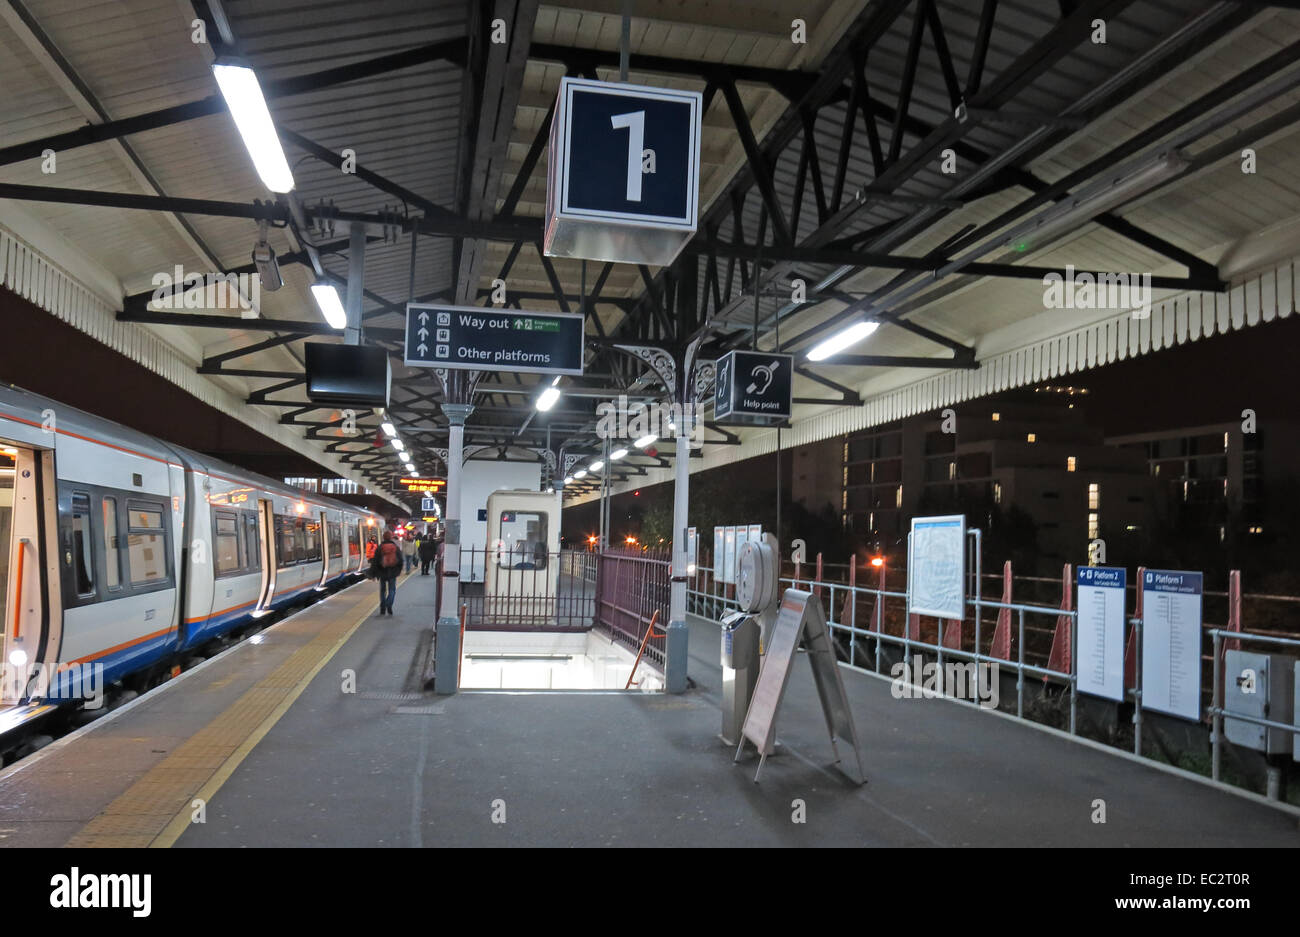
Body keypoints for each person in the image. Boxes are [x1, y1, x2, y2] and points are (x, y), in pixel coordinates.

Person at [370, 531, 403, 615]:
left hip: (382, 572)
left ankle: (382, 608)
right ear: (391, 537)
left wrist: (373, 573)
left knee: (383, 590)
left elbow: (375, 561)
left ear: (383, 538)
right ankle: (389, 605)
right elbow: (400, 560)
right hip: (393, 572)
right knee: (392, 590)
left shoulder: (380, 548)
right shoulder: (395, 547)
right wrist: (398, 571)